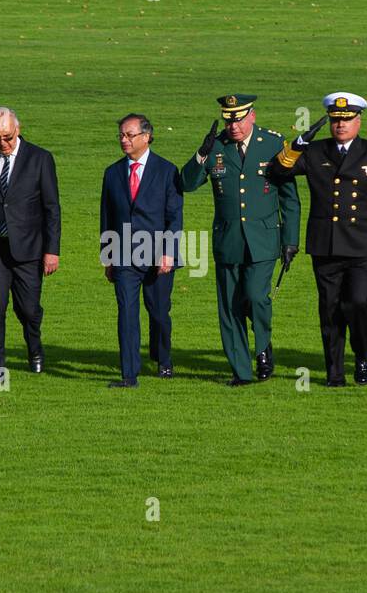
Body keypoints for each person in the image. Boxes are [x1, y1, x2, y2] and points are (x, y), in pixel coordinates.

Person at [270, 92, 367, 387]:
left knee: (357, 304)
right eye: (335, 120)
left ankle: (362, 353)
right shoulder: (316, 152)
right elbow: (278, 170)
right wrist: (298, 144)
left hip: (363, 245)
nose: (340, 125)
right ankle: (335, 373)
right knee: (329, 310)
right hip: (326, 244)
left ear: (358, 120)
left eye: (347, 119)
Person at [182, 94, 300, 386]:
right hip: (228, 240)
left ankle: (262, 345)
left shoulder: (273, 144)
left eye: (238, 119)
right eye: (228, 119)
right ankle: (241, 372)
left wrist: (291, 239)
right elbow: (187, 183)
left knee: (257, 297)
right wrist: (201, 154)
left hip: (263, 239)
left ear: (252, 116)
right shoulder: (217, 145)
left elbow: (289, 198)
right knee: (230, 308)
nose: (233, 125)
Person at [0, 107, 61, 380]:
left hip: (29, 247)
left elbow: (52, 208)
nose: (2, 144)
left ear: (18, 129)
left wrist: (52, 251)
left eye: (7, 137)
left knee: (28, 309)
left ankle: (35, 346)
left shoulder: (40, 159)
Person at [100, 113, 183, 388]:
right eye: (121, 135)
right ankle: (129, 374)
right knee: (126, 312)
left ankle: (163, 360)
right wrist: (108, 256)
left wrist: (169, 251)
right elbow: (107, 217)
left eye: (130, 135)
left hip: (159, 254)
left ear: (146, 137)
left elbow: (174, 216)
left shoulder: (167, 170)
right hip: (123, 254)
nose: (124, 140)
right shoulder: (112, 173)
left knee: (158, 311)